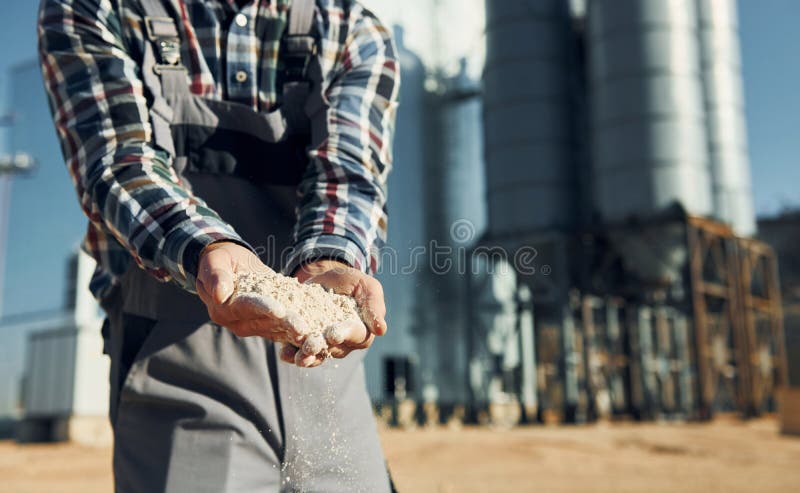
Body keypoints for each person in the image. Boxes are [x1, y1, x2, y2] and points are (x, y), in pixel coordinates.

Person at [38, 0, 399, 491]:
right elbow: (121, 163)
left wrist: (331, 261)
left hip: (326, 363)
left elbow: (348, 178)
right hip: (176, 366)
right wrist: (209, 250)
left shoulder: (350, 28)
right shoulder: (100, 9)